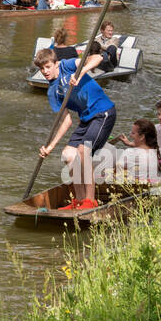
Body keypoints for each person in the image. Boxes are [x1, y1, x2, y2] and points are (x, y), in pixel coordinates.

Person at [36, 47, 117, 210]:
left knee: (83, 151)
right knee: (68, 155)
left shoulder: (67, 65)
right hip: (86, 119)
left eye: (48, 67)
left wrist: (81, 72)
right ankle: (79, 201)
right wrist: (50, 147)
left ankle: (90, 201)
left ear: (56, 64)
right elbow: (66, 121)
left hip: (103, 113)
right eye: (41, 68)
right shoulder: (52, 91)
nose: (45, 71)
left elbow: (98, 58)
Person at [117, 119, 161, 183]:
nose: (130, 135)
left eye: (133, 133)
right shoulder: (159, 152)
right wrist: (130, 143)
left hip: (134, 191)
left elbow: (119, 176)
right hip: (154, 190)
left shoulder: (129, 152)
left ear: (142, 137)